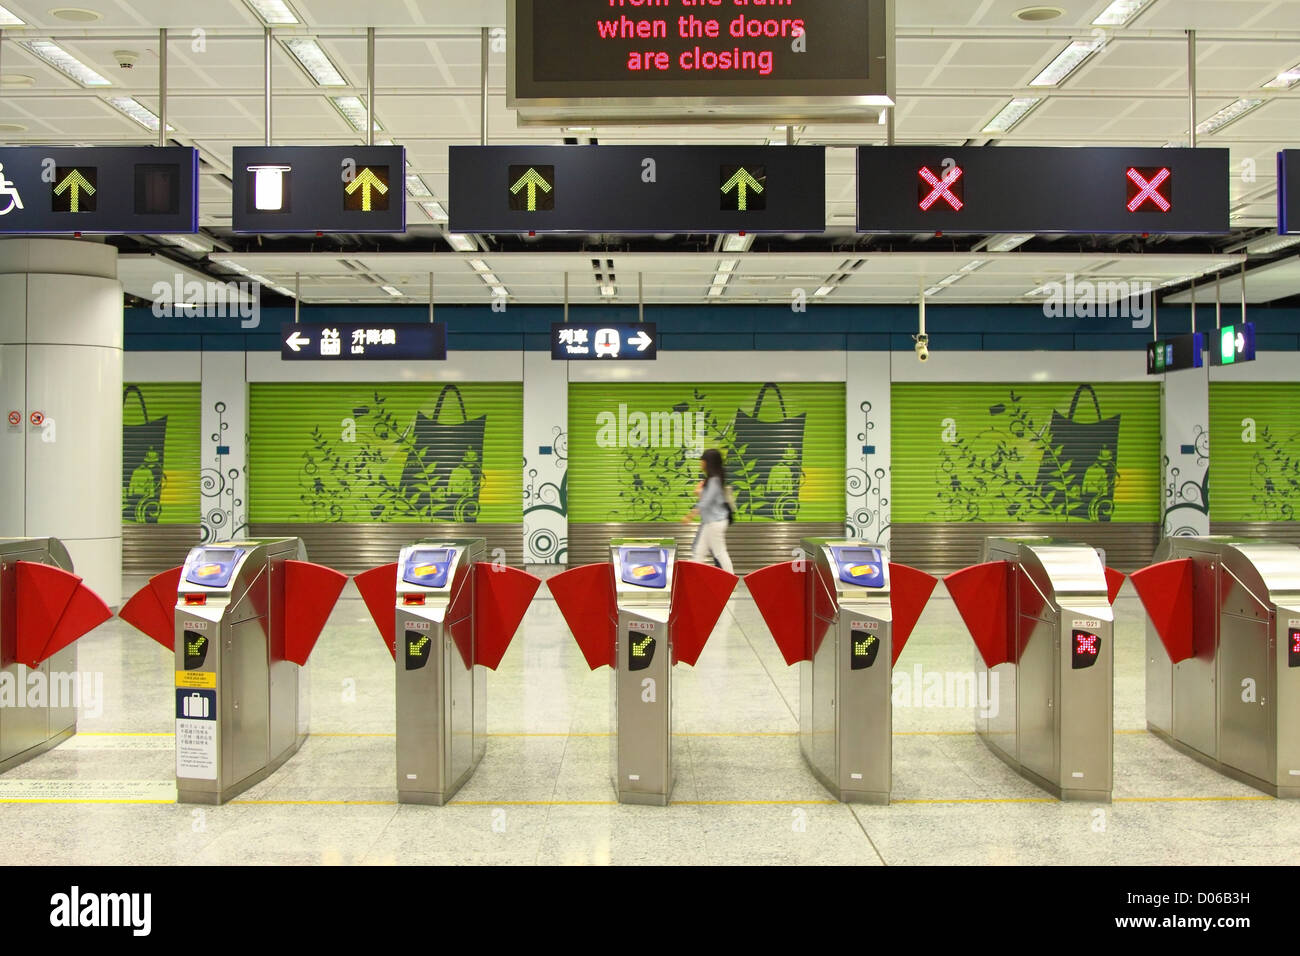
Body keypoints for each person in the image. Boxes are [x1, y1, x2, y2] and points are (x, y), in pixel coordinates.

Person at [683, 448, 734, 573]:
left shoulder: (714, 481)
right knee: (699, 551)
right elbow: (706, 501)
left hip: (715, 523)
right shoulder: (711, 480)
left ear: (708, 462)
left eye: (703, 460)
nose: (701, 463)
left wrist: (690, 515)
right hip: (710, 522)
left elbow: (706, 502)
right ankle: (694, 579)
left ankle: (731, 580)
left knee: (720, 552)